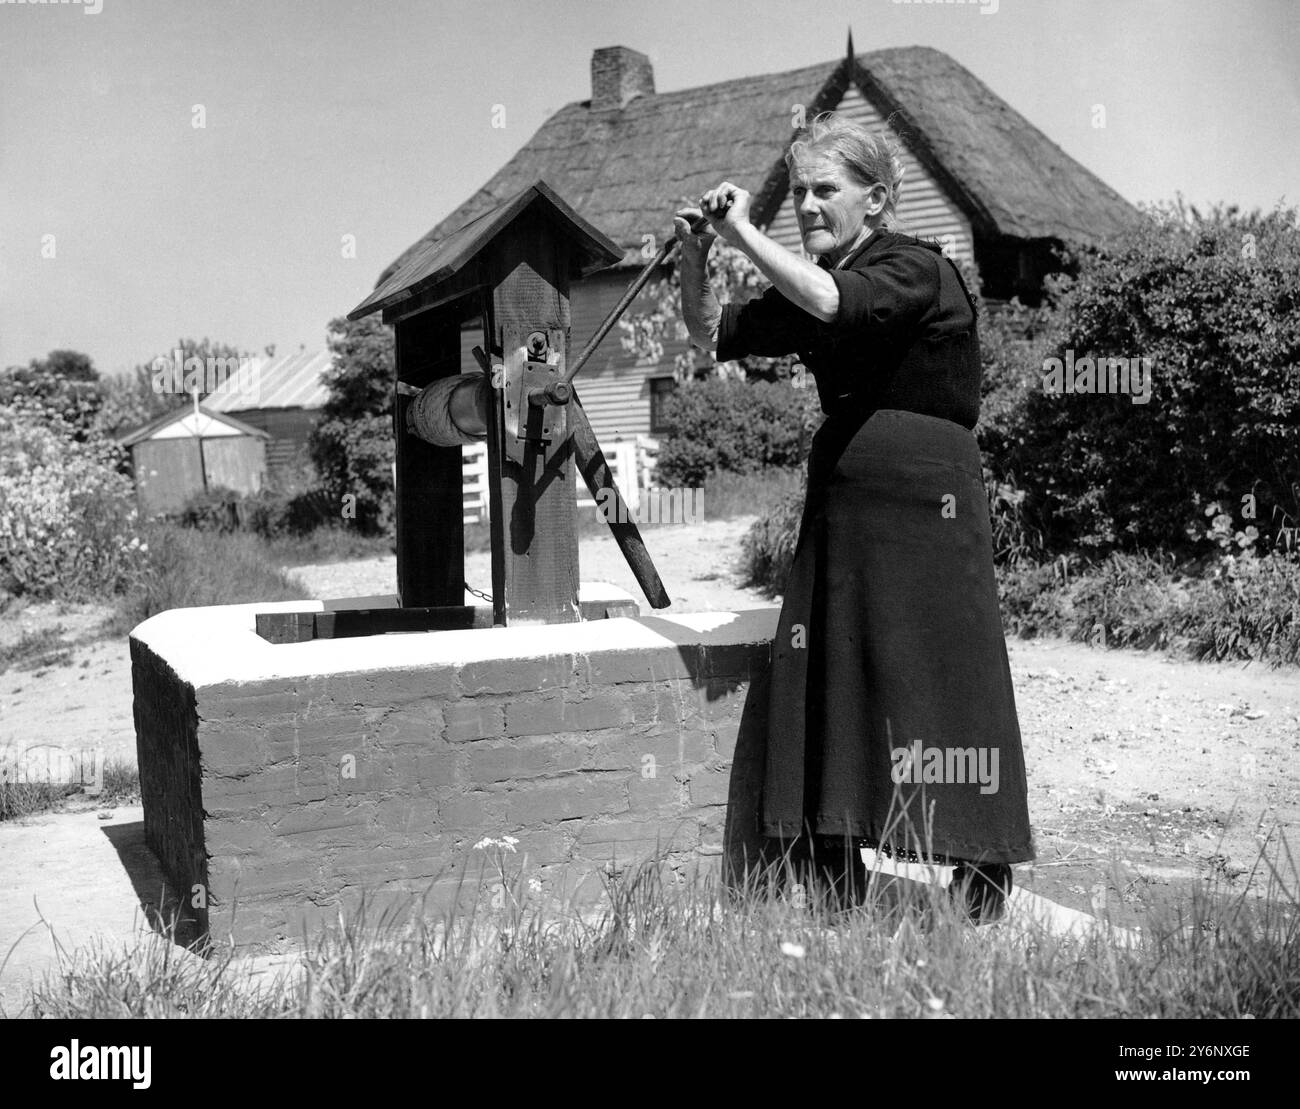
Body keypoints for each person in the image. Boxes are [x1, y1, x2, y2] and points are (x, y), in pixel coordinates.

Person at [674, 111, 1034, 923]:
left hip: (929, 506)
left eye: (823, 189)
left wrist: (741, 234)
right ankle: (837, 857)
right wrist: (700, 257)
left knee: (944, 676)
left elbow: (838, 303)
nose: (804, 204)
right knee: (833, 669)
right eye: (797, 190)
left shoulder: (915, 266)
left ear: (874, 201)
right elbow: (710, 332)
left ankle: (979, 868)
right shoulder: (809, 284)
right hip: (846, 499)